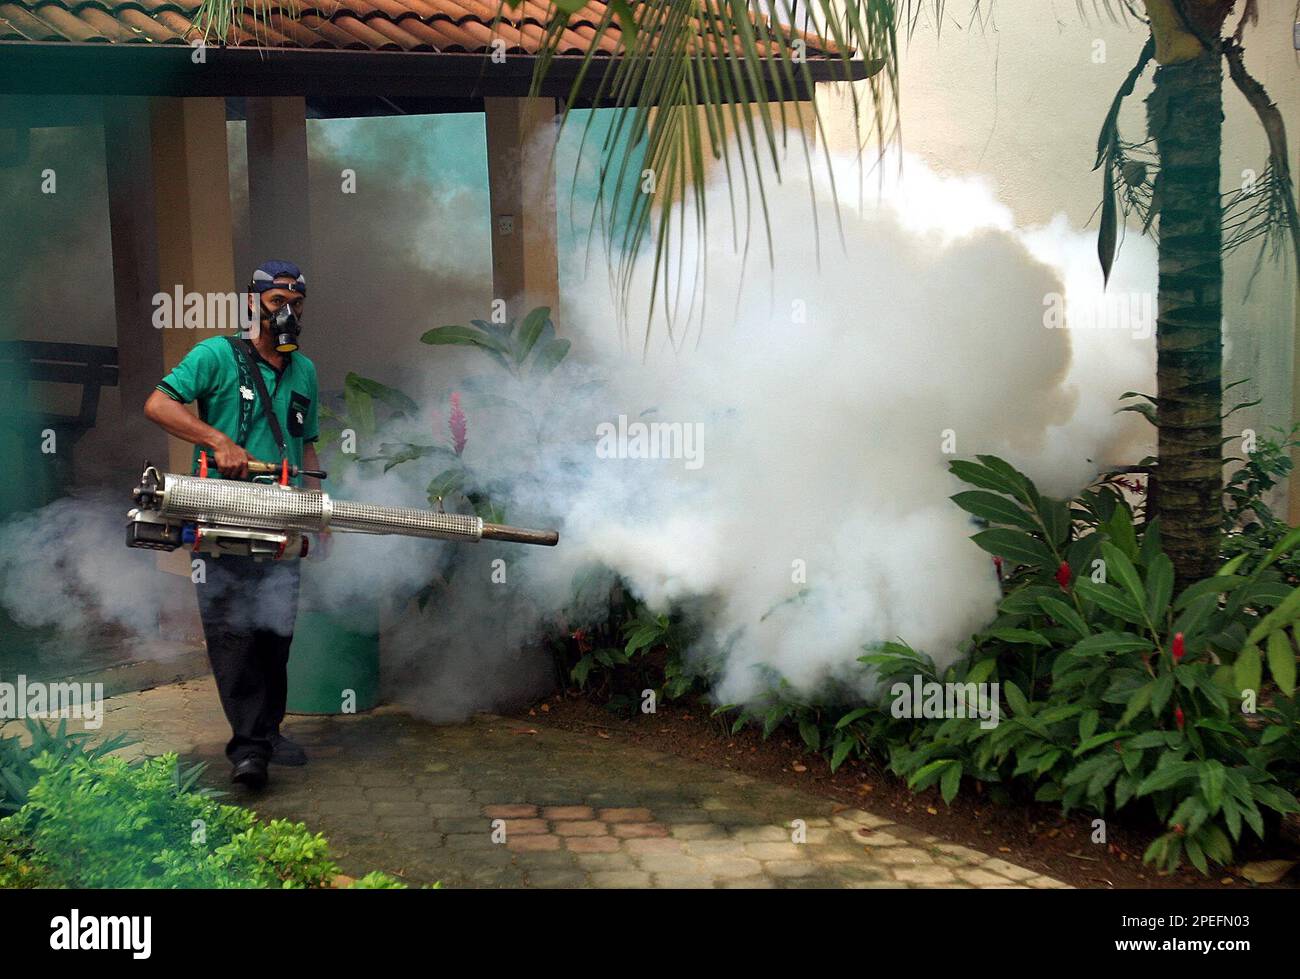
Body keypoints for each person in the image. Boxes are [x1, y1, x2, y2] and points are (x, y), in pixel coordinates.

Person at [144, 260, 322, 789]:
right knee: (234, 633)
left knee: (276, 632)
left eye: (295, 304)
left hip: (285, 517)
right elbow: (158, 404)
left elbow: (305, 443)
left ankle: (267, 731)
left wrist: (317, 510)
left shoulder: (304, 370)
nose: (286, 313)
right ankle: (248, 750)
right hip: (224, 515)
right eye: (275, 303)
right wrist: (217, 441)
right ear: (252, 303)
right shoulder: (216, 355)